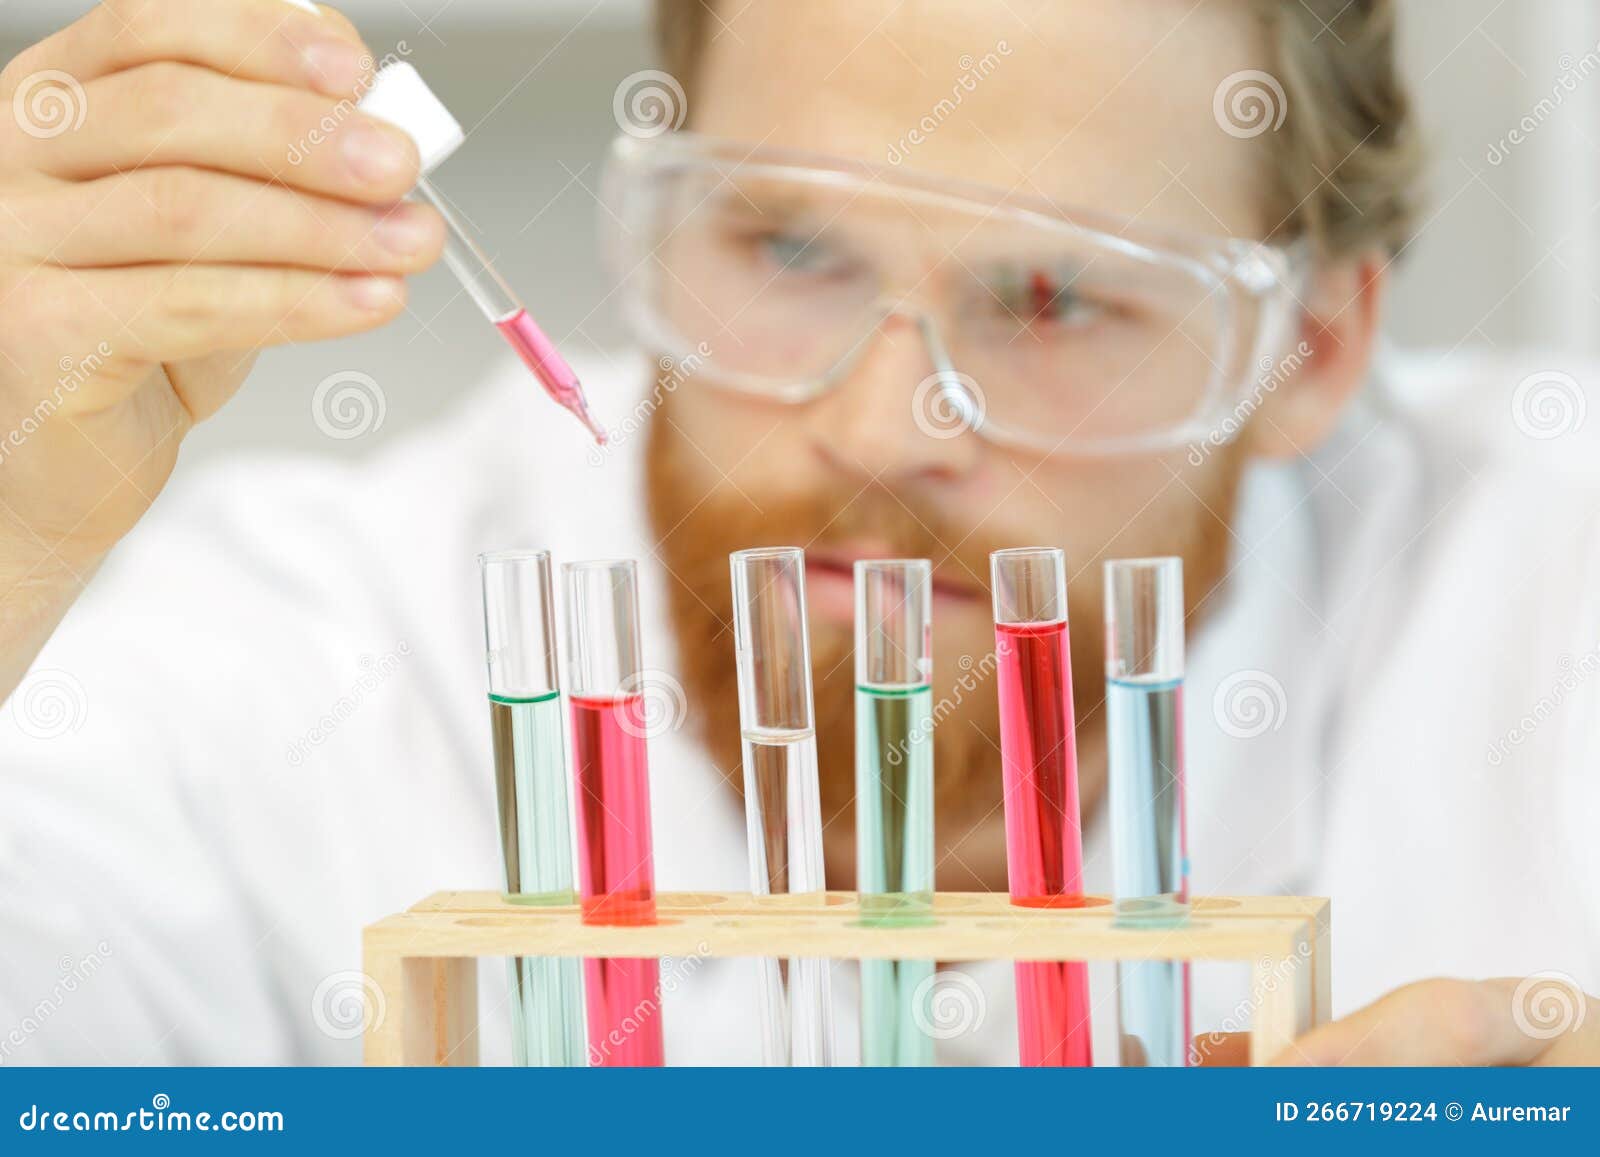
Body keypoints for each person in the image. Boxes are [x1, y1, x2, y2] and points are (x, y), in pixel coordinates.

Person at [0, 0, 1596, 1066]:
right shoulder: (291, 652)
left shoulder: (1549, 579)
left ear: (1309, 349)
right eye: (789, 248)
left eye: (1055, 299)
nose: (889, 423)